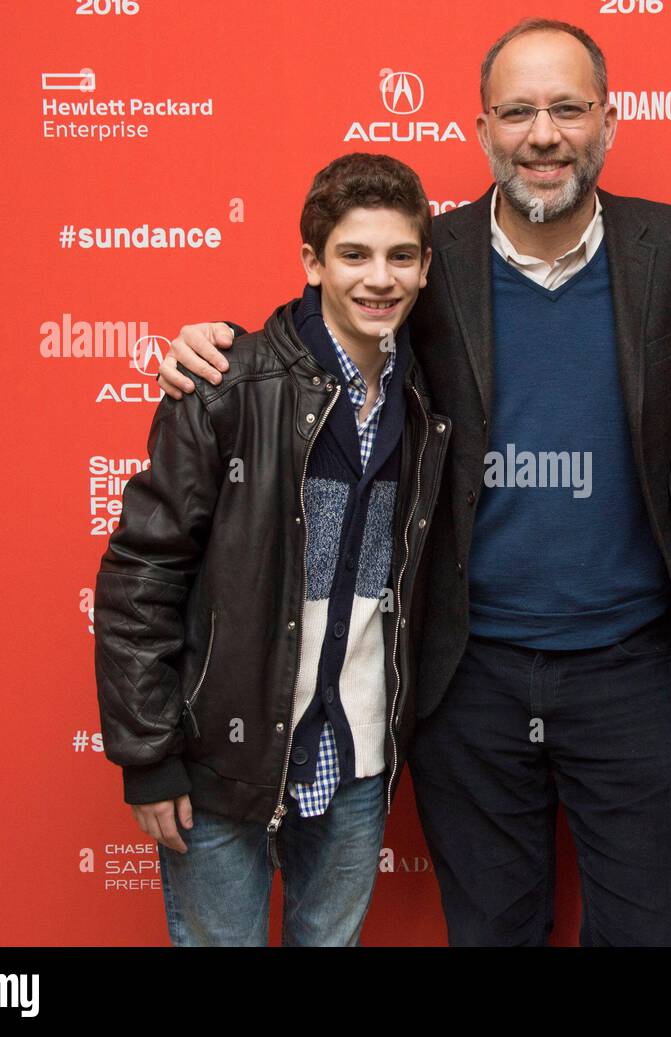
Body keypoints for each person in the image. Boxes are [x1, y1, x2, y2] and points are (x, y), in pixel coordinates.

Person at [153, 19, 671, 947]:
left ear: (608, 121)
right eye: (519, 112)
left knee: (648, 931)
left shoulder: (668, 251)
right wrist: (218, 344)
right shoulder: (426, 259)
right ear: (481, 129)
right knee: (493, 931)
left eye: (568, 109)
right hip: (467, 675)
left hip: (633, 668)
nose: (544, 134)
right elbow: (321, 332)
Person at [93, 153, 449, 946]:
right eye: (354, 255)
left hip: (354, 755)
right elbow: (139, 576)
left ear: (426, 267)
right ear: (311, 262)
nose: (378, 278)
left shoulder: (428, 400)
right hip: (222, 754)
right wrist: (147, 755)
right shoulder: (227, 385)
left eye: (400, 256)